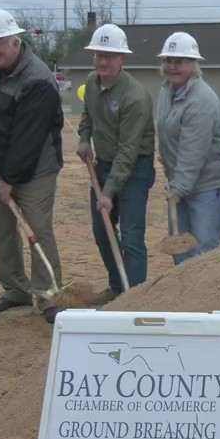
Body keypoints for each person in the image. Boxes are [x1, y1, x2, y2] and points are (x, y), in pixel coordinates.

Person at [0, 9, 66, 323]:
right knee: (1, 232)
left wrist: (9, 180)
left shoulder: (38, 79)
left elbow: (28, 139)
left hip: (34, 169)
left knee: (37, 230)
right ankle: (16, 289)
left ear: (16, 41)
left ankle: (48, 296)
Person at [76, 24, 156, 304]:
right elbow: (87, 114)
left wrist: (108, 193)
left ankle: (136, 297)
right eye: (98, 55)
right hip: (104, 165)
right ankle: (117, 286)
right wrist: (84, 138)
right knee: (102, 231)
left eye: (109, 56)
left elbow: (128, 151)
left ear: (122, 58)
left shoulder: (135, 97)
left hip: (135, 169)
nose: (102, 61)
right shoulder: (92, 82)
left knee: (132, 236)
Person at [155, 32, 220, 262]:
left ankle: (207, 298)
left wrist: (178, 188)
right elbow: (165, 129)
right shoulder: (167, 90)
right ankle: (183, 298)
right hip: (180, 184)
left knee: (204, 253)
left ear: (192, 64)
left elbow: (193, 152)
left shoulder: (202, 101)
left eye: (179, 62)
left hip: (207, 186)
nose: (172, 67)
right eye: (168, 61)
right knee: (181, 250)